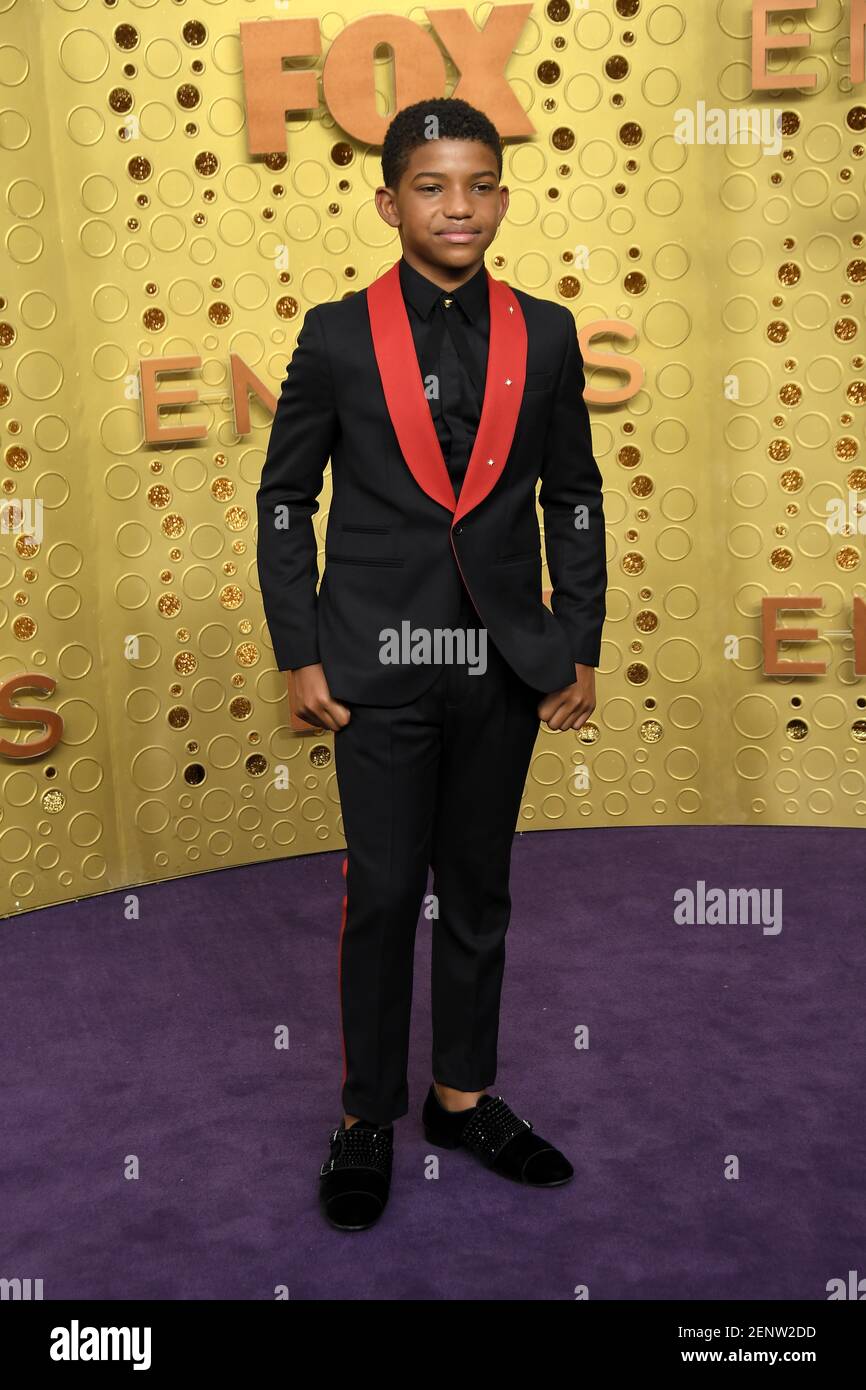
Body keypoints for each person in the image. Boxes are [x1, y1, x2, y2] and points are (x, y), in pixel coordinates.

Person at [255, 97, 607, 1231]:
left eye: (477, 185)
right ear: (387, 200)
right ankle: (366, 1113)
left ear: (500, 198)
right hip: (377, 660)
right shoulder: (333, 332)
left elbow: (572, 494)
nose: (456, 206)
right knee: (384, 890)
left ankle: (462, 1095)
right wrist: (300, 649)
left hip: (500, 660)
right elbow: (282, 498)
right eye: (430, 186)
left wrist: (577, 641)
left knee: (479, 884)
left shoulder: (545, 332)